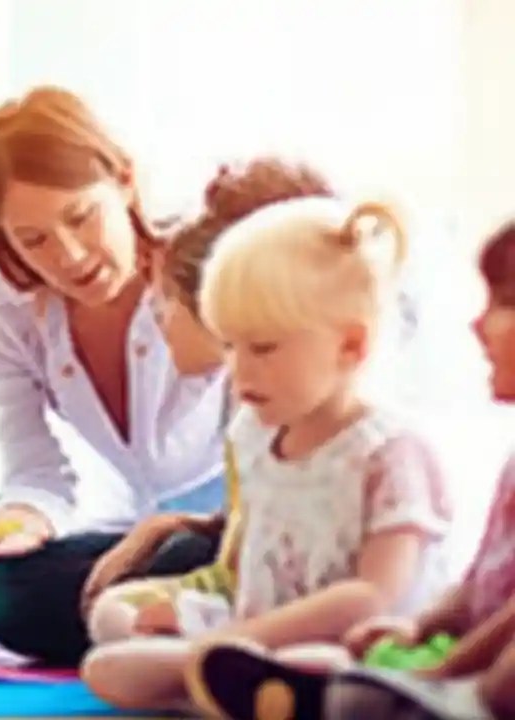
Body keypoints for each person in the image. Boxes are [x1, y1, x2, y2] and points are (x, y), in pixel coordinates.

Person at [81, 197, 452, 713]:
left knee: (327, 668)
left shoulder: (390, 452)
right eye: (229, 346)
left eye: (263, 349)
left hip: (353, 647)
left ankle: (235, 684)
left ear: (351, 346)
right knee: (110, 650)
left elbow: (373, 595)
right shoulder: (253, 433)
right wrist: (210, 627)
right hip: (248, 631)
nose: (239, 371)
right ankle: (231, 688)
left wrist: (241, 638)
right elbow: (250, 563)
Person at [0, 85, 229, 666]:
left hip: (237, 529)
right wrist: (4, 527)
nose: (70, 256)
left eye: (82, 217)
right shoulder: (8, 313)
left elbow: (273, 452)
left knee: (194, 561)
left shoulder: (206, 265)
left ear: (125, 180)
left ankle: (159, 625)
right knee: (2, 594)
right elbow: (37, 473)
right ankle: (174, 630)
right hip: (146, 549)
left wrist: (154, 539)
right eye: (33, 240)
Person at [201, 220, 515, 720]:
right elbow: (479, 586)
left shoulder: (390, 449)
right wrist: (422, 630)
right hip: (461, 659)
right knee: (349, 680)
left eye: (506, 304)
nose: (477, 325)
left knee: (344, 682)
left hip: (481, 674)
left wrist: (450, 674)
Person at [83, 158, 335, 645]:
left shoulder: (330, 419)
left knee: (169, 566)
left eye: (167, 302)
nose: (157, 319)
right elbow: (248, 521)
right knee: (104, 608)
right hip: (237, 583)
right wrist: (168, 524)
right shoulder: (247, 413)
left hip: (300, 603)